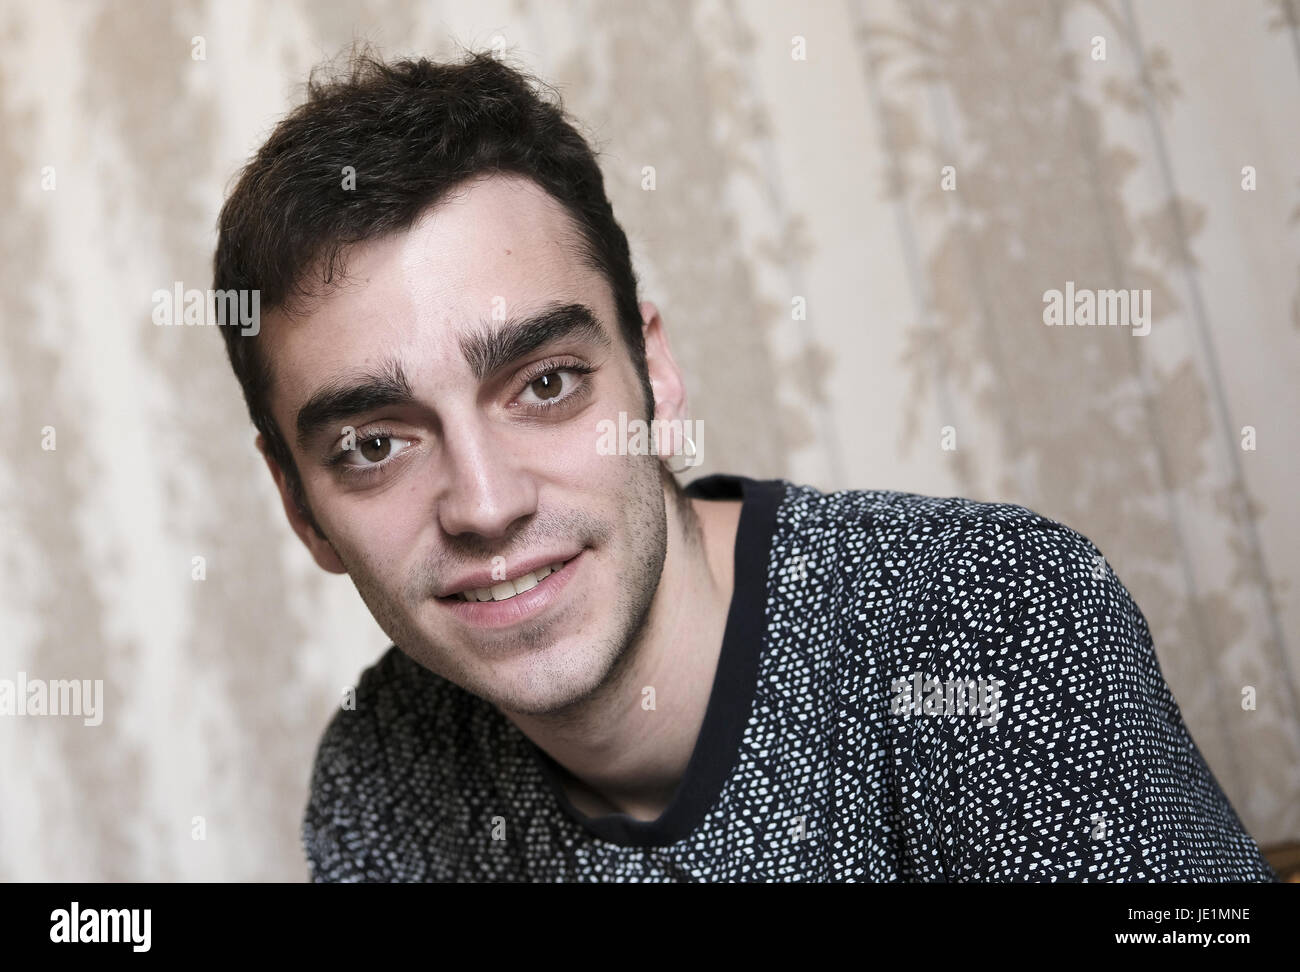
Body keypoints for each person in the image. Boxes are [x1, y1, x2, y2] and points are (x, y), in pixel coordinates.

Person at [212, 48, 1277, 882]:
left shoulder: (992, 620)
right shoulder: (381, 778)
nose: (485, 504)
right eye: (374, 446)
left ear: (655, 374)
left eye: (544, 384)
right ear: (301, 509)